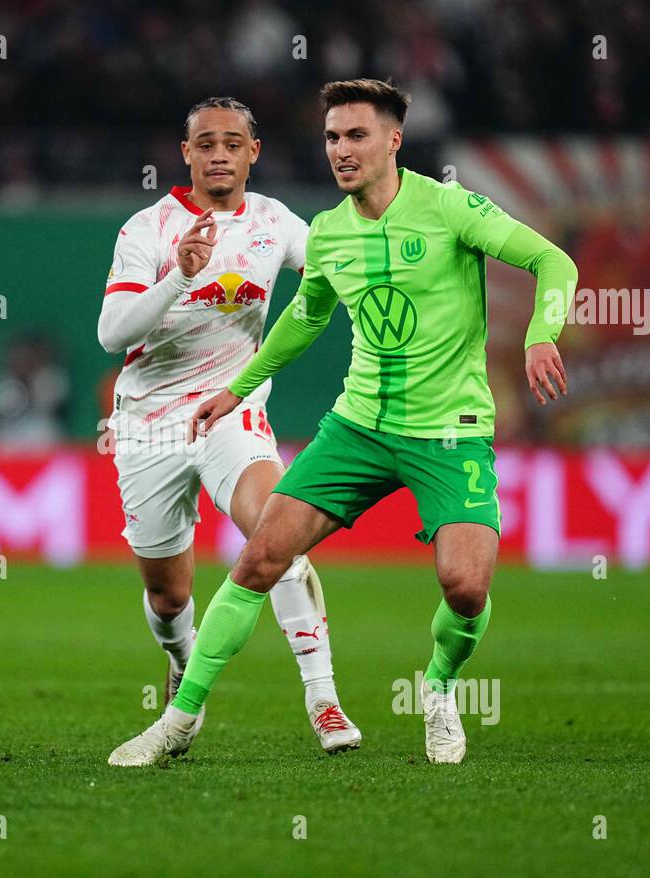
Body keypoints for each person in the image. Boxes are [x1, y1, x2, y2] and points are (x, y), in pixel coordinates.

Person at [109, 79, 577, 767]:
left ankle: (440, 691)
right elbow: (302, 321)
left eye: (356, 135)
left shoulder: (450, 209)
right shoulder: (328, 233)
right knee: (261, 558)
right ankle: (177, 721)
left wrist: (543, 332)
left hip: (449, 430)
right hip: (356, 429)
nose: (341, 150)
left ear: (393, 140)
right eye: (332, 138)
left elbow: (552, 259)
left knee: (466, 586)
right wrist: (234, 391)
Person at [99, 97, 361, 763]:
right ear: (185, 154)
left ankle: (324, 699)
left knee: (278, 532)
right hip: (149, 427)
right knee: (168, 593)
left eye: (232, 142)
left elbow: (339, 267)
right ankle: (185, 663)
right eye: (205, 143)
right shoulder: (148, 229)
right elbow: (112, 334)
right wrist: (177, 277)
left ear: (253, 152)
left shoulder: (275, 222)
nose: (219, 153)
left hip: (231, 411)